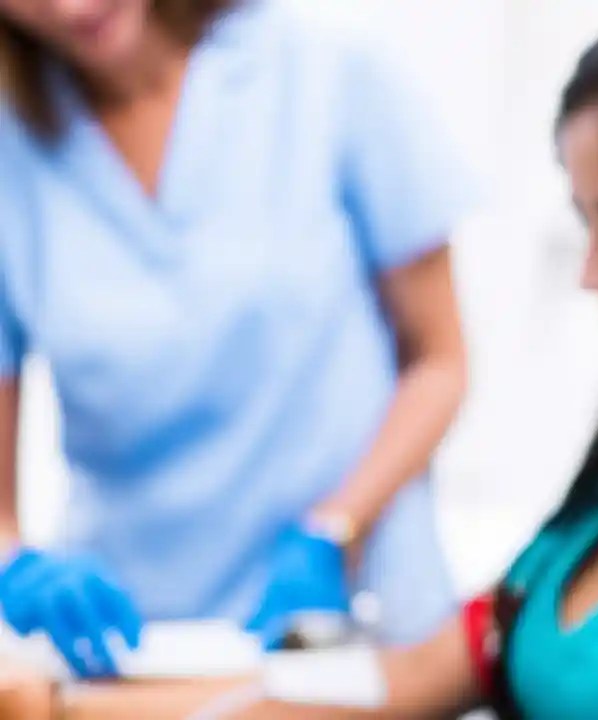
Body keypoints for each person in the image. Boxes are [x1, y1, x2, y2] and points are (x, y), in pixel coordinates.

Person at [9, 4, 598, 718]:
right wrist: (55, 702)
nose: (592, 274)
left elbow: (436, 361)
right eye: (587, 224)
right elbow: (420, 676)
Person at [0, 0, 472, 678]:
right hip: (139, 639)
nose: (71, 6)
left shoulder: (325, 72)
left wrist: (336, 528)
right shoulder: (11, 145)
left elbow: (439, 361)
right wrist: (15, 567)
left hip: (358, 607)